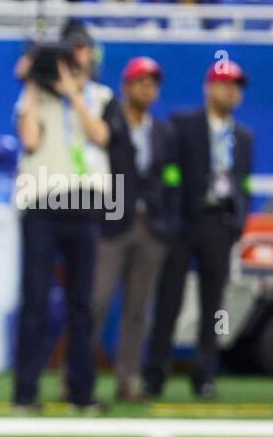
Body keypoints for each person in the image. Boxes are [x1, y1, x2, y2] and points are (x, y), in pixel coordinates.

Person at [10, 30, 112, 411]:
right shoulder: (32, 97)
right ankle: (24, 394)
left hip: (84, 207)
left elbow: (101, 135)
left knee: (81, 305)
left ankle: (81, 394)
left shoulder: (99, 96)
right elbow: (30, 140)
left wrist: (73, 93)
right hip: (41, 206)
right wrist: (32, 83)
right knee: (34, 300)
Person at [144, 60, 254, 400]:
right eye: (224, 84)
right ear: (209, 88)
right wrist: (170, 216)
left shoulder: (242, 137)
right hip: (184, 222)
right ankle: (156, 374)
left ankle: (204, 374)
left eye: (236, 86)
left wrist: (237, 222)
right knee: (169, 299)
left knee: (214, 305)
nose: (231, 91)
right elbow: (168, 173)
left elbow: (243, 183)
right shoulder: (185, 124)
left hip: (218, 223)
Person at [92, 57, 180, 402]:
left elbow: (172, 180)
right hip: (113, 224)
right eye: (141, 82)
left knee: (138, 309)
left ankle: (126, 380)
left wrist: (167, 223)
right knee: (96, 301)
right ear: (125, 88)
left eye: (152, 83)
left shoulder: (163, 132)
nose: (148, 88)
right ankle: (77, 377)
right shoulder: (110, 125)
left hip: (152, 228)